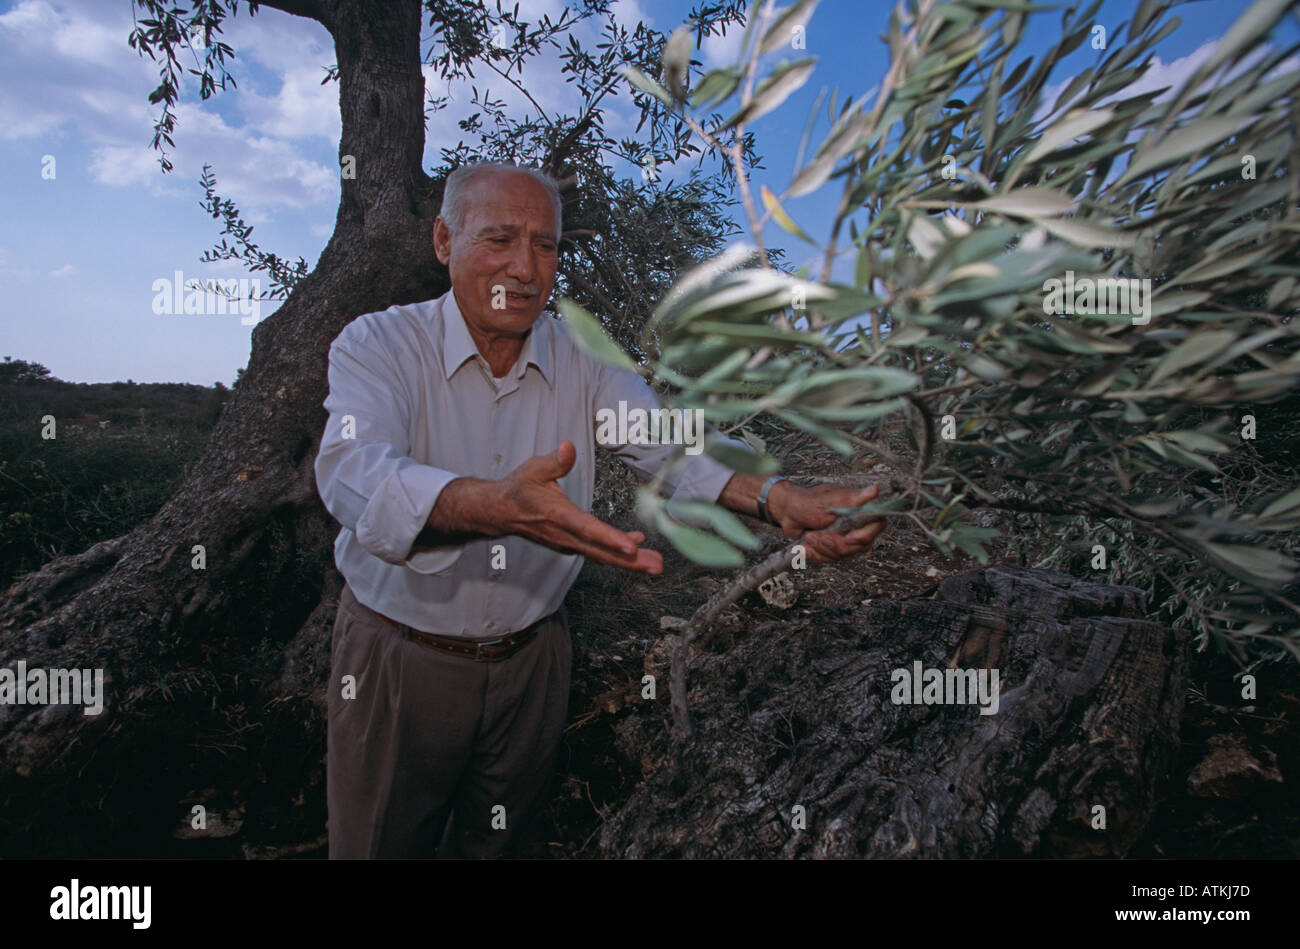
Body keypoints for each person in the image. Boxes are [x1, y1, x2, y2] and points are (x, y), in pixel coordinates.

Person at [314, 162, 884, 858]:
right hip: (399, 661)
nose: (526, 268)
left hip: (533, 665)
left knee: (496, 845)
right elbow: (352, 474)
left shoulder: (582, 353)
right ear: (443, 240)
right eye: (500, 238)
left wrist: (773, 496)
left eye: (546, 245)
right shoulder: (378, 345)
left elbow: (663, 440)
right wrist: (495, 506)